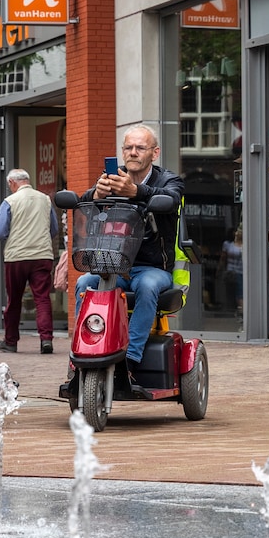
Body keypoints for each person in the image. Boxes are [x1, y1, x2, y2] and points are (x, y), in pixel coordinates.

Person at [74, 124, 183, 375]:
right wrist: (96, 194)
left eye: (140, 148)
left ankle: (130, 359)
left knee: (147, 286)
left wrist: (136, 192)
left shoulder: (168, 179)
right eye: (129, 147)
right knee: (84, 282)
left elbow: (172, 198)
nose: (133, 152)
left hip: (152, 268)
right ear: (123, 152)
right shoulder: (112, 177)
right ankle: (82, 352)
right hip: (113, 264)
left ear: (154, 153)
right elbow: (85, 201)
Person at [0, 168, 59, 354]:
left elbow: (0, 231)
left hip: (17, 257)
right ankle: (46, 340)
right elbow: (54, 229)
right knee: (42, 299)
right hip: (42, 256)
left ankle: (11, 342)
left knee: (14, 300)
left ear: (12, 183)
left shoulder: (10, 201)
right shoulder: (45, 199)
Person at [218, 226, 244, 317]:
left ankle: (241, 311)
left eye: (239, 231)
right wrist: (219, 269)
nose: (237, 233)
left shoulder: (245, 245)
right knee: (230, 292)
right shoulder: (228, 244)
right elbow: (223, 258)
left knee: (240, 293)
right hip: (230, 272)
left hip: (241, 272)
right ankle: (232, 310)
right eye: (236, 231)